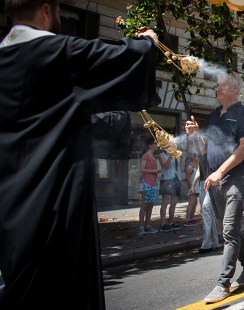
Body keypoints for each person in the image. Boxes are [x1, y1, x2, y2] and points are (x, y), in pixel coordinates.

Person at [0, 1, 160, 307]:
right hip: (54, 205)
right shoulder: (56, 54)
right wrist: (148, 43)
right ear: (46, 10)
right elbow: (127, 59)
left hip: (9, 210)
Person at [185, 72, 244, 303]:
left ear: (235, 89)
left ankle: (223, 282)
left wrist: (219, 172)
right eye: (216, 86)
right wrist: (195, 134)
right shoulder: (213, 115)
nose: (217, 89)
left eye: (221, 86)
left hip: (234, 178)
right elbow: (206, 148)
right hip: (213, 179)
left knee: (228, 230)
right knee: (230, 230)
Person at [138, 138, 161, 235]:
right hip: (145, 183)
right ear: (150, 145)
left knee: (151, 205)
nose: (156, 145)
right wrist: (154, 171)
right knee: (144, 205)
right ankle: (141, 227)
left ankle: (148, 225)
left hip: (153, 182)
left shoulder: (153, 156)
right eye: (155, 143)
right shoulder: (145, 155)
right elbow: (142, 169)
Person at [158, 150, 183, 231]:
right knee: (165, 202)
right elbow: (165, 166)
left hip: (177, 178)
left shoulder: (177, 153)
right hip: (166, 179)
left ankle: (171, 222)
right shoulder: (161, 154)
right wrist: (171, 156)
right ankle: (163, 224)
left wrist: (181, 158)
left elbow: (181, 167)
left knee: (174, 202)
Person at [184, 152, 201, 227]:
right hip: (192, 187)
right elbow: (187, 178)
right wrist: (192, 187)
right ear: (193, 157)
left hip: (197, 187)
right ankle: (187, 219)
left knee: (194, 203)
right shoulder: (190, 167)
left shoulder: (197, 165)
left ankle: (192, 218)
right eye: (197, 156)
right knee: (191, 203)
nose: (198, 158)